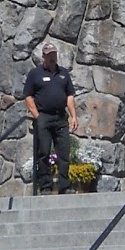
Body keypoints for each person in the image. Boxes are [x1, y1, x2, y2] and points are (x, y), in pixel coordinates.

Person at [23, 41, 77, 195]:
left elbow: (70, 96)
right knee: (44, 152)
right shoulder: (35, 74)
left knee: (64, 153)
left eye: (53, 54)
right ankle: (45, 186)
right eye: (49, 55)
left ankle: (64, 186)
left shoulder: (63, 74)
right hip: (44, 117)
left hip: (60, 117)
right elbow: (28, 96)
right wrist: (37, 116)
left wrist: (74, 116)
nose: (52, 58)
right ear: (43, 57)